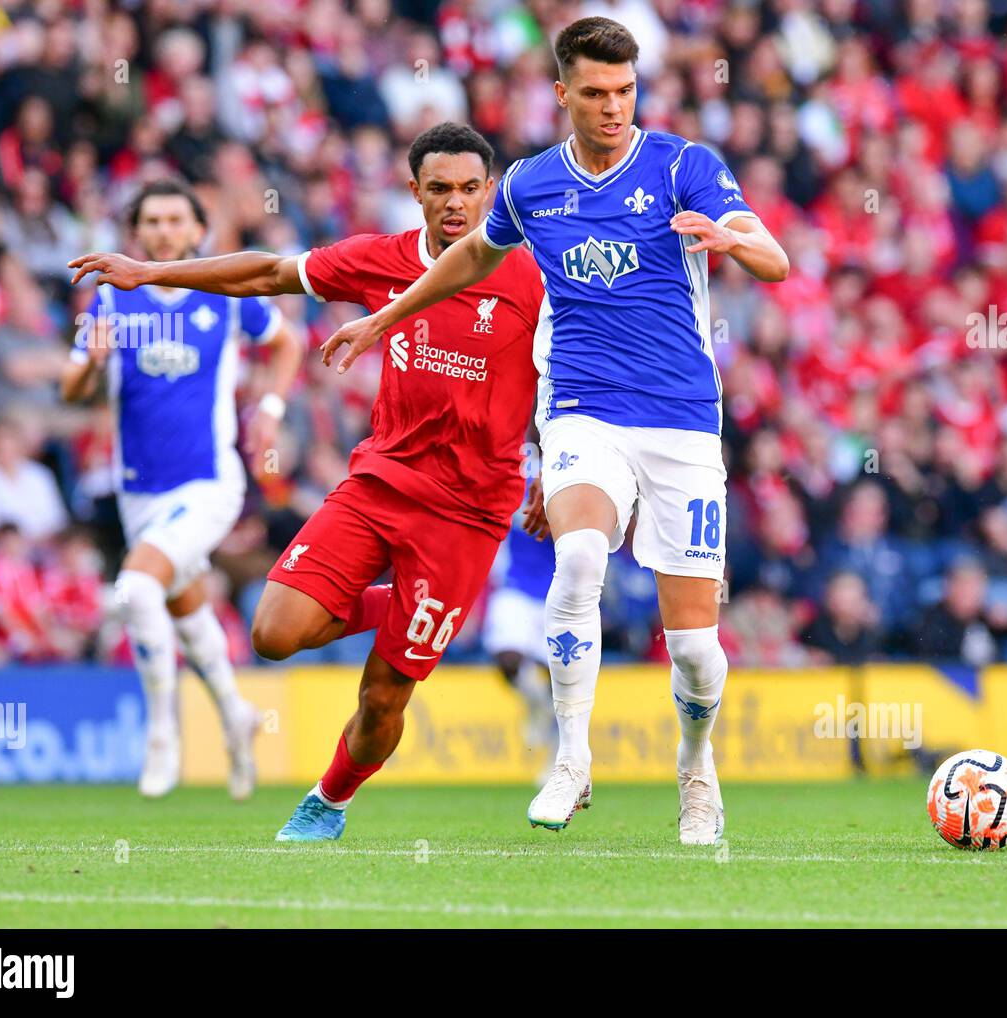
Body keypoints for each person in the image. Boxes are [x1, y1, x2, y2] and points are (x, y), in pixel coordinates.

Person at [316, 18, 789, 844]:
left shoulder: (684, 167)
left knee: (693, 648)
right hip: (582, 409)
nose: (614, 108)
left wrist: (732, 242)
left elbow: (774, 258)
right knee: (575, 558)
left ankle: (696, 765)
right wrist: (381, 319)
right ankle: (572, 758)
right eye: (597, 93)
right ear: (562, 93)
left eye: (627, 91)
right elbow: (467, 260)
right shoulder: (532, 184)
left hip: (680, 420)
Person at [69, 124, 547, 841]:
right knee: (273, 632)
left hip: (469, 513)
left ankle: (329, 800)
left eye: (470, 188)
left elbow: (569, 377)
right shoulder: (382, 258)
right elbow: (266, 273)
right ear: (414, 191)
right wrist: (153, 272)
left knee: (383, 702)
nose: (456, 204)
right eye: (440, 189)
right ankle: (408, 610)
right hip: (381, 481)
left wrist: (553, 468)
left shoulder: (530, 274)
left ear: (491, 189)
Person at [62, 179, 303, 800]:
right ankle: (236, 715)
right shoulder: (112, 303)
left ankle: (162, 736)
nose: (165, 231)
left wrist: (271, 407)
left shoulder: (223, 298)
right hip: (138, 490)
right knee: (179, 599)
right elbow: (70, 389)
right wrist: (89, 363)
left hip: (209, 483)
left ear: (199, 232)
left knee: (137, 586)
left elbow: (288, 342)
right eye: (152, 222)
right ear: (135, 235)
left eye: (176, 220)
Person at [482, 479, 558, 767]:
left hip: (557, 592)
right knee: (507, 658)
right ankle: (536, 703)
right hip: (516, 586)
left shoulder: (570, 484)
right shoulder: (512, 482)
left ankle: (555, 762)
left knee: (560, 677)